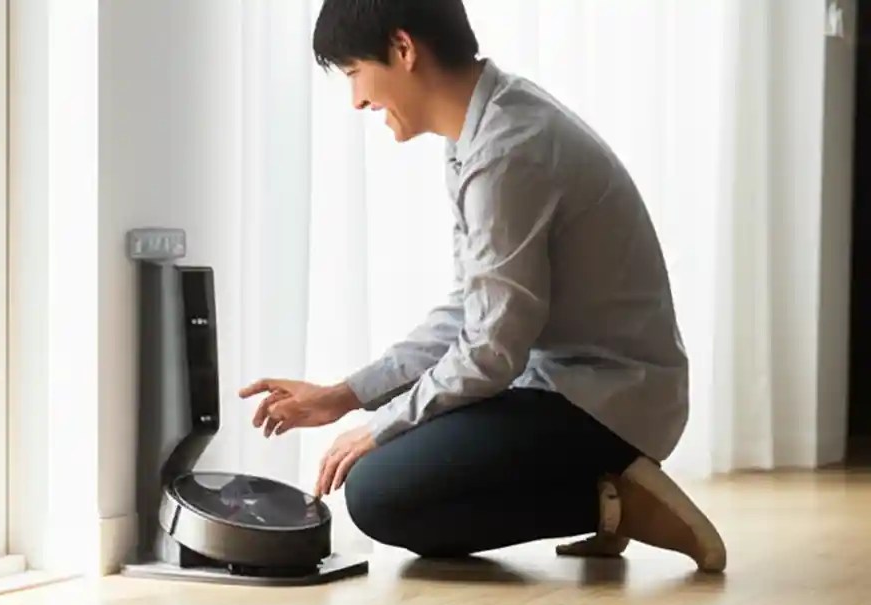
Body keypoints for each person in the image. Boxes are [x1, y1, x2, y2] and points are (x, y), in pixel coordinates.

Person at [239, 0, 726, 572]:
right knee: (389, 469)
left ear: (403, 49)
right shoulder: (484, 126)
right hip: (565, 387)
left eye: (354, 75)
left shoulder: (508, 148)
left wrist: (377, 427)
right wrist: (343, 395)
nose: (358, 101)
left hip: (605, 400)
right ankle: (605, 487)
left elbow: (492, 350)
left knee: (377, 493)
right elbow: (472, 309)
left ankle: (612, 499)